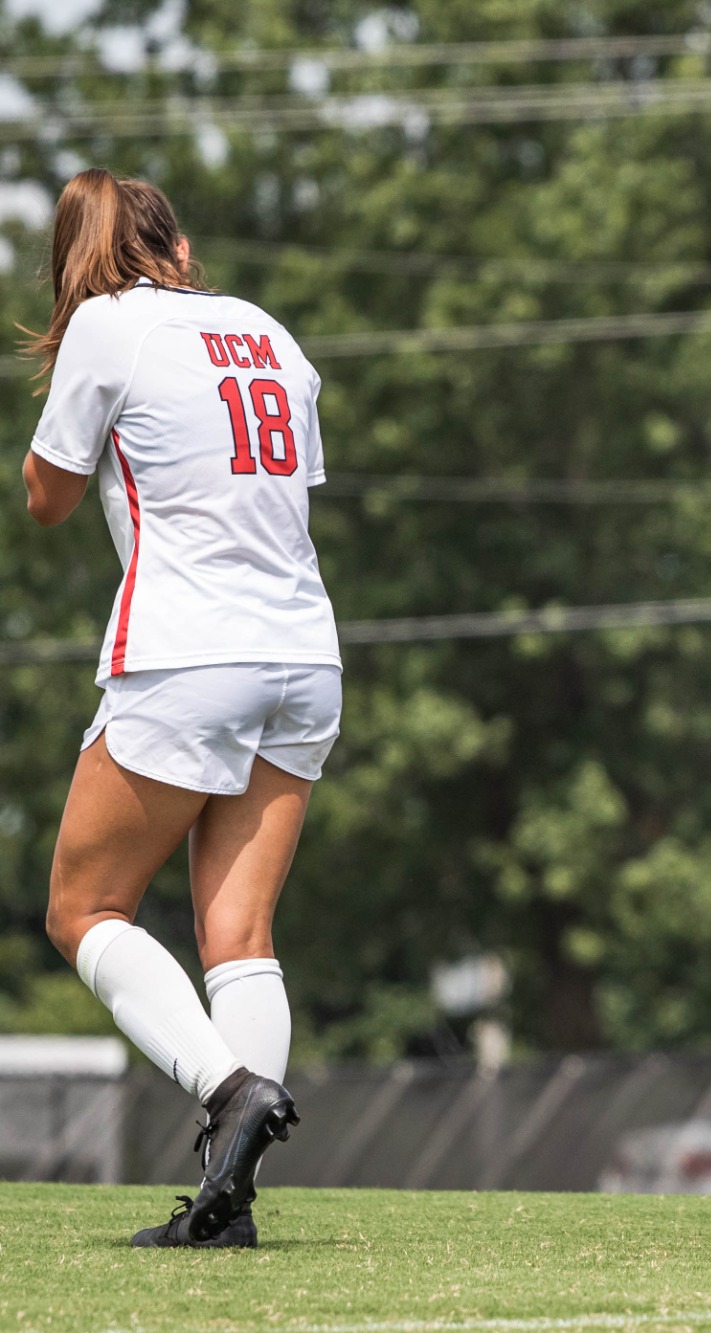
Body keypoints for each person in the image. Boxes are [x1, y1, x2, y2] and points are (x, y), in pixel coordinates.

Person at [23, 170, 337, 1245]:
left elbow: (45, 494)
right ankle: (226, 1204)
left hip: (184, 651)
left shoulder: (105, 328)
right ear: (182, 246)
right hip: (303, 650)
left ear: (75, 261)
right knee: (239, 929)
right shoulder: (269, 333)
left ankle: (225, 1087)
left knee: (83, 905)